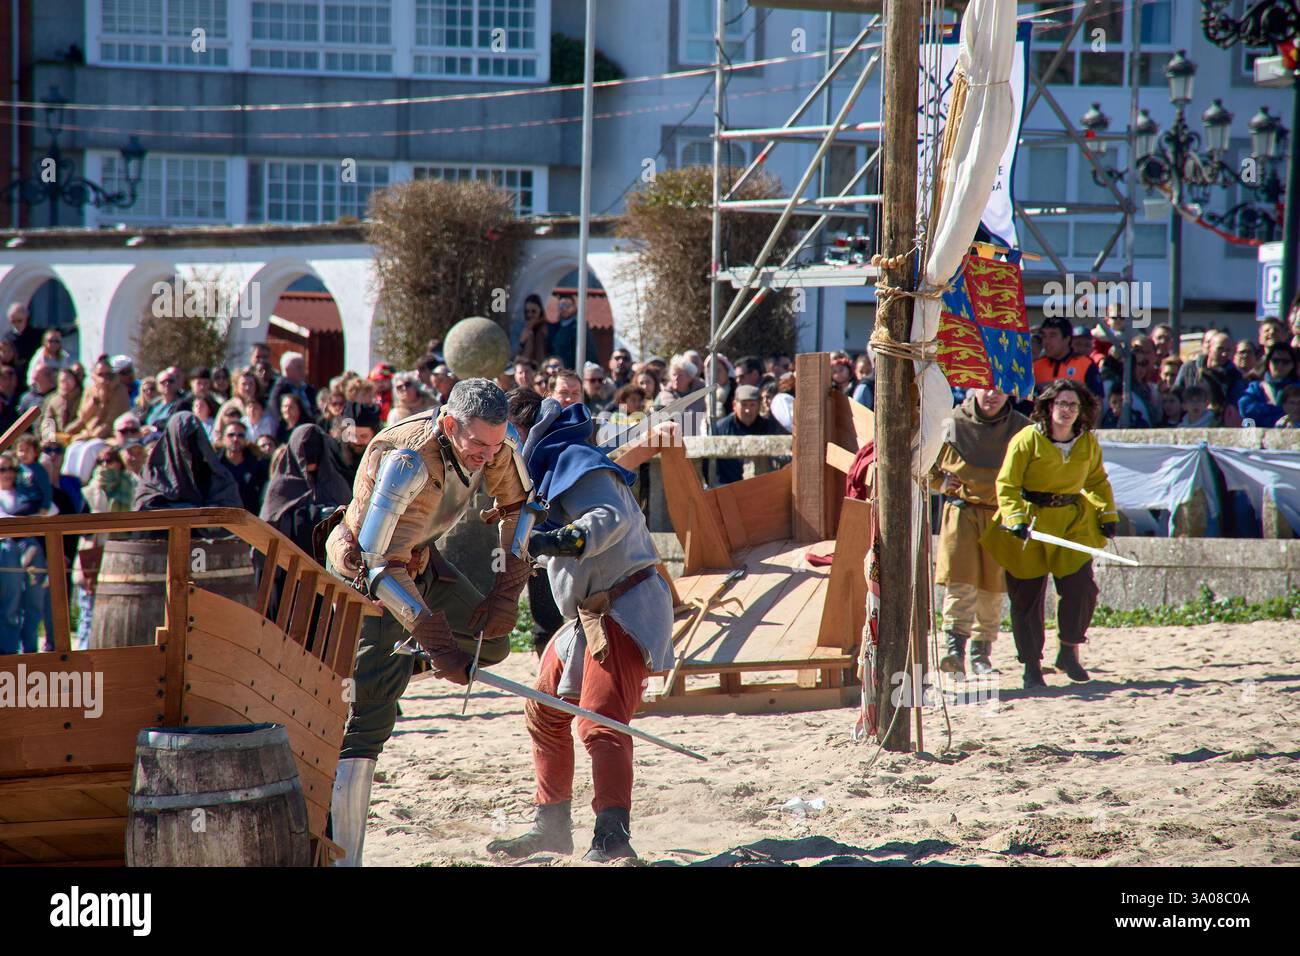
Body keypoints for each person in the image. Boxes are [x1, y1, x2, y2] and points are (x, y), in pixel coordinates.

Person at [323, 379, 529, 867]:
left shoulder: (493, 443)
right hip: (370, 582)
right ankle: (343, 857)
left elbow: (520, 508)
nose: (486, 456)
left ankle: (405, 659)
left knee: (490, 643)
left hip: (417, 562)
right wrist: (438, 643)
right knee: (368, 718)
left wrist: (507, 591)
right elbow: (375, 564)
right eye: (478, 444)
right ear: (451, 424)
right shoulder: (405, 460)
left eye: (495, 445)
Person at [488, 391, 674, 863]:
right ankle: (551, 827)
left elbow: (604, 520)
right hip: (588, 614)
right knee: (545, 712)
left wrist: (551, 539)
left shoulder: (576, 461)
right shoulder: (543, 472)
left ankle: (614, 837)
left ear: (524, 430)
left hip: (623, 606)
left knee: (600, 724)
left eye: (505, 431)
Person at [981, 380, 1117, 690]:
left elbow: (1097, 482)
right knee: (1026, 598)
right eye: (1062, 404)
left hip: (1071, 521)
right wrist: (1015, 518)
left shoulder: (1087, 443)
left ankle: (1068, 650)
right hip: (1029, 523)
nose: (1067, 410)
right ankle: (1031, 666)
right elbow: (1008, 484)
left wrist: (1107, 514)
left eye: (1073, 405)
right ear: (1049, 407)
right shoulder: (1026, 439)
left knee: (1082, 588)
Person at [930, 388, 1029, 678]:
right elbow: (923, 462)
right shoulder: (949, 422)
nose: (992, 394)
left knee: (993, 587)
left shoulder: (1022, 428)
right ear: (973, 387)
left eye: (1000, 389)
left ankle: (980, 654)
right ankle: (954, 650)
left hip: (1000, 515)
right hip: (961, 512)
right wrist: (939, 482)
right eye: (986, 385)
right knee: (960, 584)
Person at [75, 448, 136, 650]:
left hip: (122, 555)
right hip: (94, 552)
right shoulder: (89, 490)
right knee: (88, 611)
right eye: (100, 461)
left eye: (109, 461)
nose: (104, 466)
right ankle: (83, 659)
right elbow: (80, 525)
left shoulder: (131, 487)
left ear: (119, 463)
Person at [132, 412, 243, 511]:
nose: (186, 446)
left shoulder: (218, 475)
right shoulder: (153, 474)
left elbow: (232, 512)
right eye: (181, 440)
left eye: (192, 438)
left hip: (205, 534)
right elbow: (144, 508)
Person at [711, 384, 787, 485]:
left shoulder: (769, 427)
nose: (748, 410)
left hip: (762, 486)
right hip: (727, 487)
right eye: (744, 405)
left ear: (759, 406)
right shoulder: (721, 429)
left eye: (752, 405)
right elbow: (711, 465)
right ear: (734, 405)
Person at [1032, 316, 1103, 400]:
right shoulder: (1035, 367)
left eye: (1052, 335)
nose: (1046, 341)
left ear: (1067, 338)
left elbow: (1097, 402)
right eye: (1044, 336)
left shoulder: (1085, 364)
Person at [1238, 344, 1298, 428]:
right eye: (1275, 361)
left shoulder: (1297, 388)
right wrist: (1281, 409)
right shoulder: (1256, 387)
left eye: (1285, 362)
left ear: (1293, 365)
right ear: (1268, 362)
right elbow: (1245, 409)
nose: (1280, 365)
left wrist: (1264, 411)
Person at [218, 418, 270, 513]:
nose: (236, 439)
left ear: (246, 439)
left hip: (250, 521)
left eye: (240, 435)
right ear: (223, 439)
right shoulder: (214, 466)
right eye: (231, 435)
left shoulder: (258, 466)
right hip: (221, 520)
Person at [547, 293, 598, 370]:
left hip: (572, 370)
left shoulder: (580, 328)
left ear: (574, 307)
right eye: (561, 306)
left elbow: (588, 352)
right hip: (555, 369)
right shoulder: (553, 328)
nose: (564, 309)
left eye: (567, 306)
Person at [3, 303, 42, 377]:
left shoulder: (37, 335)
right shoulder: (8, 337)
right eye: (13, 322)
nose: (16, 324)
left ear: (26, 318)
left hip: (33, 372)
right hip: (14, 376)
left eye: (19, 321)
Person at [517, 293, 549, 366]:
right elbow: (514, 352)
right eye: (527, 312)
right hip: (524, 367)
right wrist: (522, 341)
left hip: (542, 367)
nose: (530, 315)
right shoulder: (520, 328)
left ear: (540, 311)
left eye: (533, 311)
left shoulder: (547, 328)